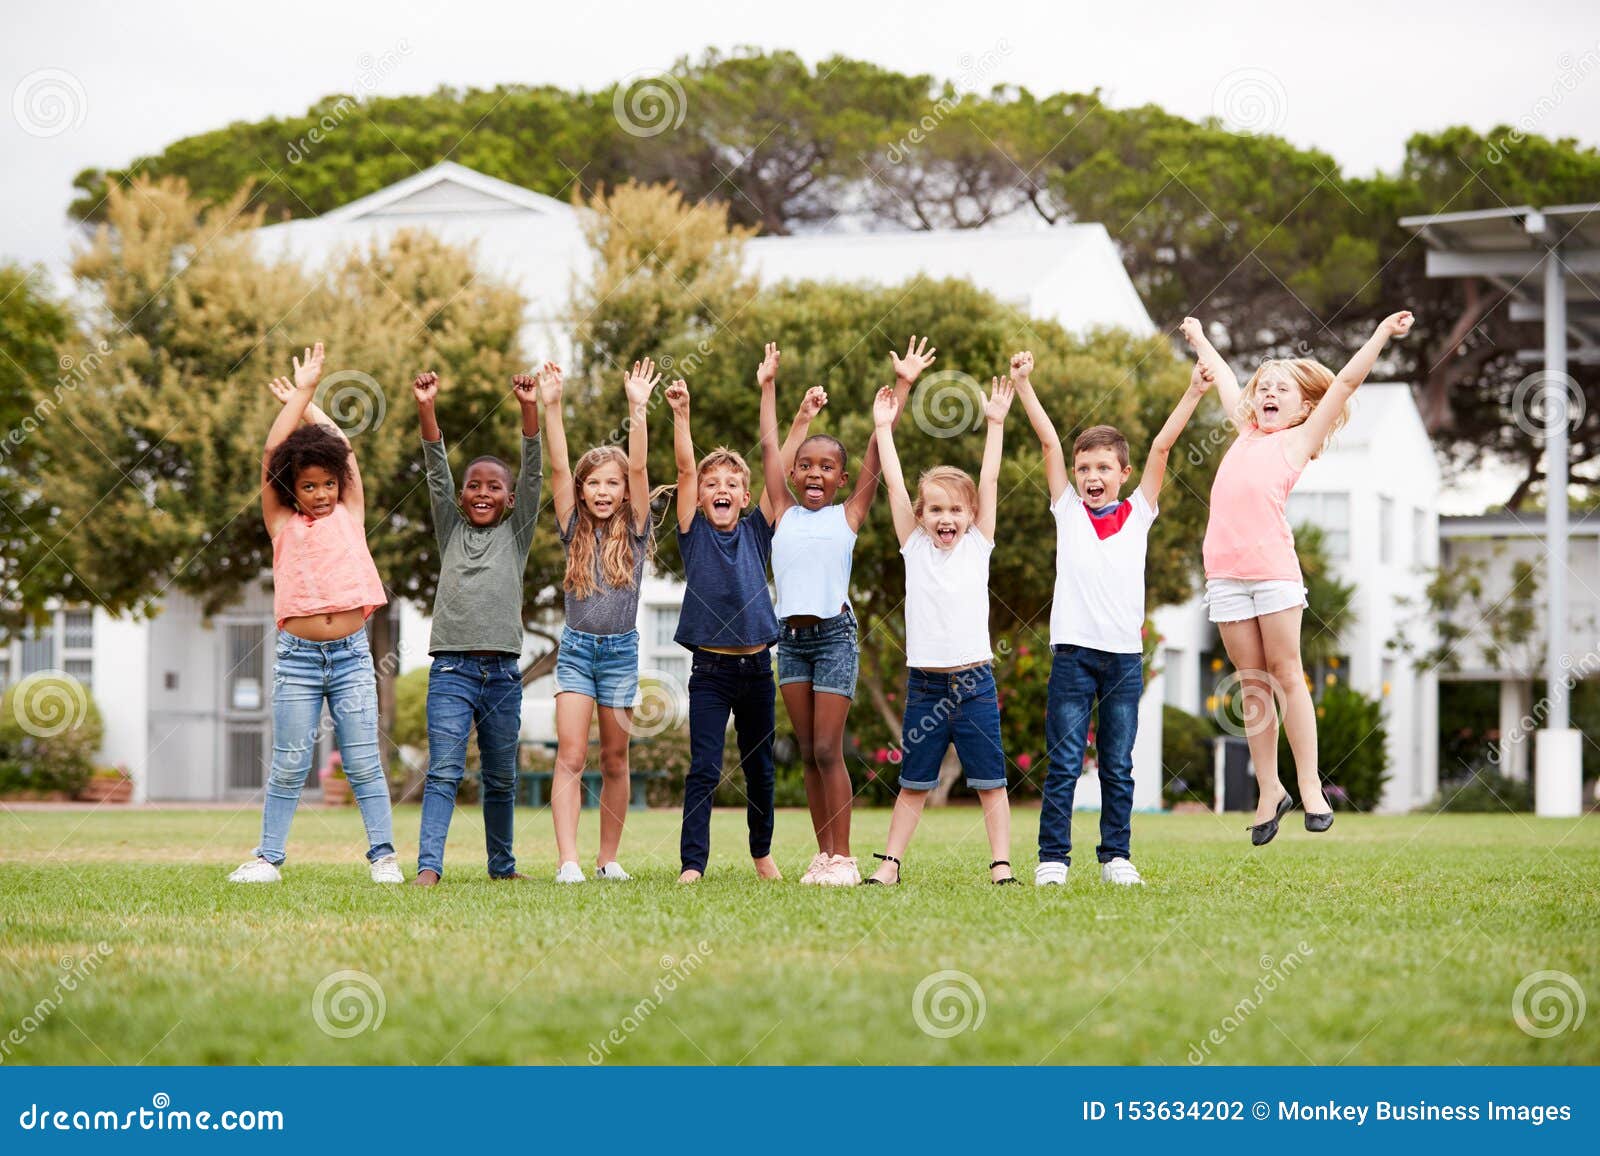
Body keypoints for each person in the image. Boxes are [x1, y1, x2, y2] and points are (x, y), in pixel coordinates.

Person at [1183, 311, 1414, 845]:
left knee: (1286, 672)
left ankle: (1309, 783)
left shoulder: (1300, 439)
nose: (1267, 393)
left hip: (1272, 574)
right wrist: (1198, 337)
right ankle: (1270, 790)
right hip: (1224, 575)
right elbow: (1221, 374)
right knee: (1252, 683)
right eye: (1263, 386)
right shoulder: (1244, 431)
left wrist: (1379, 333)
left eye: (1280, 388)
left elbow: (1350, 380)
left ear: (1303, 406)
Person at [1014, 347, 1210, 886]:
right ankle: (1053, 860)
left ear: (1123, 473)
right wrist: (1025, 385)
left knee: (1118, 765)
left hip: (1124, 658)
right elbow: (1049, 442)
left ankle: (1115, 858)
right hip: (1073, 655)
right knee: (1065, 763)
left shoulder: (1140, 511)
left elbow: (1164, 444)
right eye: (1084, 468)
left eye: (1103, 468)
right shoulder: (1067, 510)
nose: (1091, 475)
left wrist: (1194, 390)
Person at [761, 337, 933, 886]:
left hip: (834, 638)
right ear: (794, 474)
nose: (814, 474)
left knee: (827, 748)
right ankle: (823, 855)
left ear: (840, 477)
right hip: (789, 640)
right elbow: (769, 449)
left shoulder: (849, 514)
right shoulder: (782, 512)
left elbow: (878, 451)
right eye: (805, 465)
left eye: (827, 468)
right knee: (807, 754)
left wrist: (901, 388)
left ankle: (846, 857)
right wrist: (768, 388)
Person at [229, 343, 397, 884]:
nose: (322, 493)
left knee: (364, 762)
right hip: (298, 660)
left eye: (327, 484)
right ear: (290, 490)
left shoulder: (350, 511)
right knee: (289, 764)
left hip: (350, 655)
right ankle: (268, 858)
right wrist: (298, 396)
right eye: (310, 486)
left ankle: (385, 857)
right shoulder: (281, 524)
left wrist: (311, 404)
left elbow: (342, 450)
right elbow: (272, 450)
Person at [863, 375, 1018, 885]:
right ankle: (890, 864)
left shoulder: (978, 544)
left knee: (991, 782)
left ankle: (1001, 866)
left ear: (971, 515)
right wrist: (884, 429)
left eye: (956, 509)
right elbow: (893, 483)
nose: (946, 518)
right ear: (921, 515)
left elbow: (990, 480)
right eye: (936, 510)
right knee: (913, 782)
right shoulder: (914, 547)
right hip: (926, 687)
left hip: (974, 683)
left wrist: (995, 423)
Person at [409, 365, 547, 885]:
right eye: (474, 486)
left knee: (500, 777)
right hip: (451, 670)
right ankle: (428, 868)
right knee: (443, 771)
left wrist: (528, 407)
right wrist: (427, 409)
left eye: (494, 487)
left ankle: (502, 868)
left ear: (511, 500)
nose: (482, 492)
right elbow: (435, 472)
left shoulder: (518, 533)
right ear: (462, 496)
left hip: (503, 674)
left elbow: (533, 472)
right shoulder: (449, 528)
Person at [541, 359, 661, 882]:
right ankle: (569, 860)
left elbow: (639, 469)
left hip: (620, 652)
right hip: (576, 651)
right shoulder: (573, 527)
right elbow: (560, 469)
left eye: (612, 483)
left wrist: (638, 407)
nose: (604, 490)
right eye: (595, 483)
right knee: (571, 754)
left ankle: (607, 858)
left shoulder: (636, 527)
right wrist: (552, 405)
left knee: (615, 759)